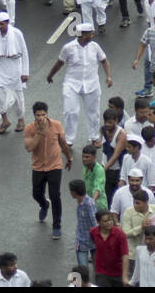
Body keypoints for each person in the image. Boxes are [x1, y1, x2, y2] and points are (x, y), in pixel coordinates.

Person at [46, 21, 112, 149]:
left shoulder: (95, 47)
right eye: (89, 34)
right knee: (71, 111)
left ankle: (94, 137)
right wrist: (50, 75)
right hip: (72, 84)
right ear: (81, 35)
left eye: (92, 34)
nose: (91, 36)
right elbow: (60, 63)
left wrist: (108, 76)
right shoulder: (68, 48)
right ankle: (69, 140)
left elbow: (104, 61)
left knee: (93, 111)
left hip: (92, 83)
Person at [23, 100, 72, 240]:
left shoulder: (56, 125)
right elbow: (29, 148)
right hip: (38, 167)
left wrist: (69, 158)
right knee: (36, 193)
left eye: (43, 114)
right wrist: (40, 132)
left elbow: (63, 143)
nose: (41, 118)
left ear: (47, 114)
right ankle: (44, 204)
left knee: (55, 195)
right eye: (38, 115)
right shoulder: (29, 129)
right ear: (34, 116)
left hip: (54, 165)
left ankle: (57, 226)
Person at [0, 11, 29, 133]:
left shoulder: (16, 33)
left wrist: (25, 72)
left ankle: (20, 119)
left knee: (17, 95)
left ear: (7, 23)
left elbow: (24, 52)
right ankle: (5, 120)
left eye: (2, 24)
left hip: (14, 66)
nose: (0, 27)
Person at [90, 208, 129, 288]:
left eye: (110, 220)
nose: (109, 223)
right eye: (105, 221)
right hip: (101, 272)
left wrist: (125, 277)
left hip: (118, 273)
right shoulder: (93, 232)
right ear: (98, 222)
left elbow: (125, 255)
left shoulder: (120, 235)